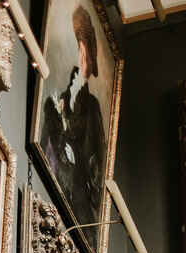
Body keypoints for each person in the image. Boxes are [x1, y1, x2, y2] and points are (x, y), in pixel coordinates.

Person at [40, 6, 106, 233]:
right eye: (80, 48)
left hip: (78, 203)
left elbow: (97, 161)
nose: (82, 56)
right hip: (53, 193)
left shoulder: (93, 107)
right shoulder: (59, 99)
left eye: (86, 51)